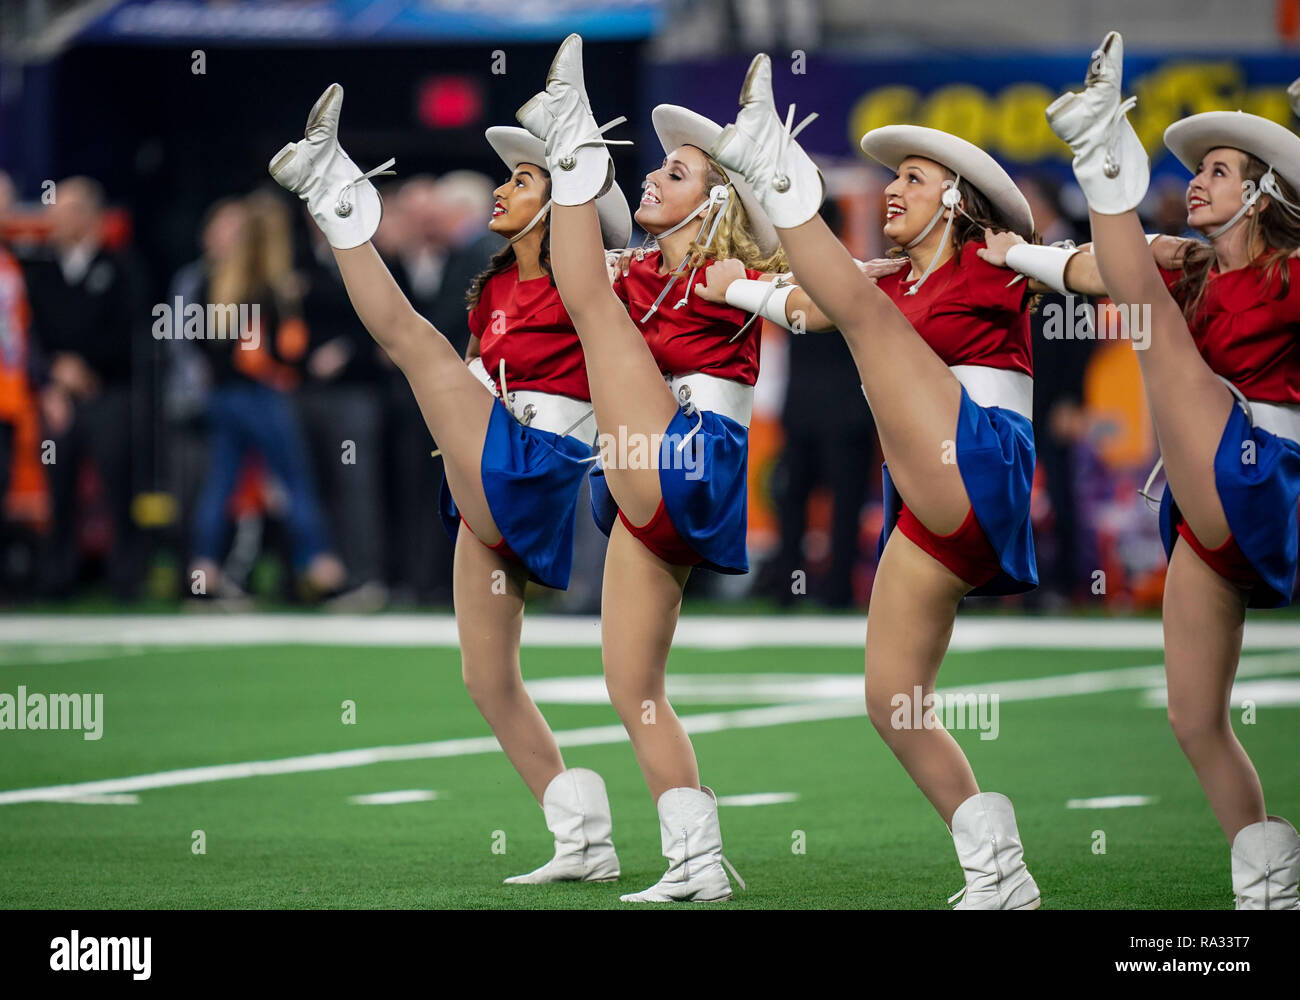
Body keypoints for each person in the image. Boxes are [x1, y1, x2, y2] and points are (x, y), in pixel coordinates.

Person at [270, 83, 636, 884]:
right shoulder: (495, 285)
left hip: (539, 467)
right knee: (485, 676)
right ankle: (583, 837)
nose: (502, 187)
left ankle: (338, 193)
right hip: (489, 465)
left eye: (526, 180)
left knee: (415, 346)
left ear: (566, 203)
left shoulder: (599, 279)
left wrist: (577, 169)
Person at [708, 53, 1042, 908]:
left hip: (979, 466)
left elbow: (1104, 273)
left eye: (915, 179)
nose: (894, 189)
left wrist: (1067, 253)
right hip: (925, 507)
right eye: (893, 177)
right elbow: (806, 301)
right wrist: (733, 283)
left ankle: (772, 158)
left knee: (864, 311)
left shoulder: (998, 263)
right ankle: (999, 872)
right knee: (891, 701)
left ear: (956, 199)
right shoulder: (887, 279)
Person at [516, 35, 789, 901]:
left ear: (714, 207)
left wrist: (790, 290)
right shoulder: (635, 272)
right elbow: (560, 272)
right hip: (635, 482)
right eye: (654, 169)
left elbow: (814, 301)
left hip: (692, 463)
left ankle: (576, 140)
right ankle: (698, 860)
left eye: (674, 175)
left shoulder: (723, 272)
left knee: (586, 300)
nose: (654, 181)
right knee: (632, 686)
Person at [1042, 31, 1300, 908]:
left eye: (1222, 170)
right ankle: (1271, 879)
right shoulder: (1181, 270)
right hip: (1204, 502)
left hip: (1266, 476)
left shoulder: (1292, 273)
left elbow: (1126, 286)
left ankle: (1100, 151)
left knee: (1144, 308)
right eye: (1200, 169)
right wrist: (1011, 259)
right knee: (1193, 717)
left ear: (1265, 195)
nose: (1199, 178)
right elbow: (1091, 271)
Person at [188, 190, 346, 601]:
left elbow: (201, 345)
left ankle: (203, 572)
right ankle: (321, 568)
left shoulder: (213, 279)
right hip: (262, 396)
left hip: (223, 398)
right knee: (294, 481)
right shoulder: (270, 285)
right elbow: (276, 353)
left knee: (220, 484)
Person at [22, 177, 142, 599]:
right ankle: (57, 579)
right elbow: (30, 334)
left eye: (65, 209)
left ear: (89, 216)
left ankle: (127, 579)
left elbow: (132, 332)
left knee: (116, 484)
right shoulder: (41, 273)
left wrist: (88, 369)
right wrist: (53, 377)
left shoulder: (120, 267)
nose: (54, 218)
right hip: (57, 398)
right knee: (59, 489)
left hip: (108, 393)